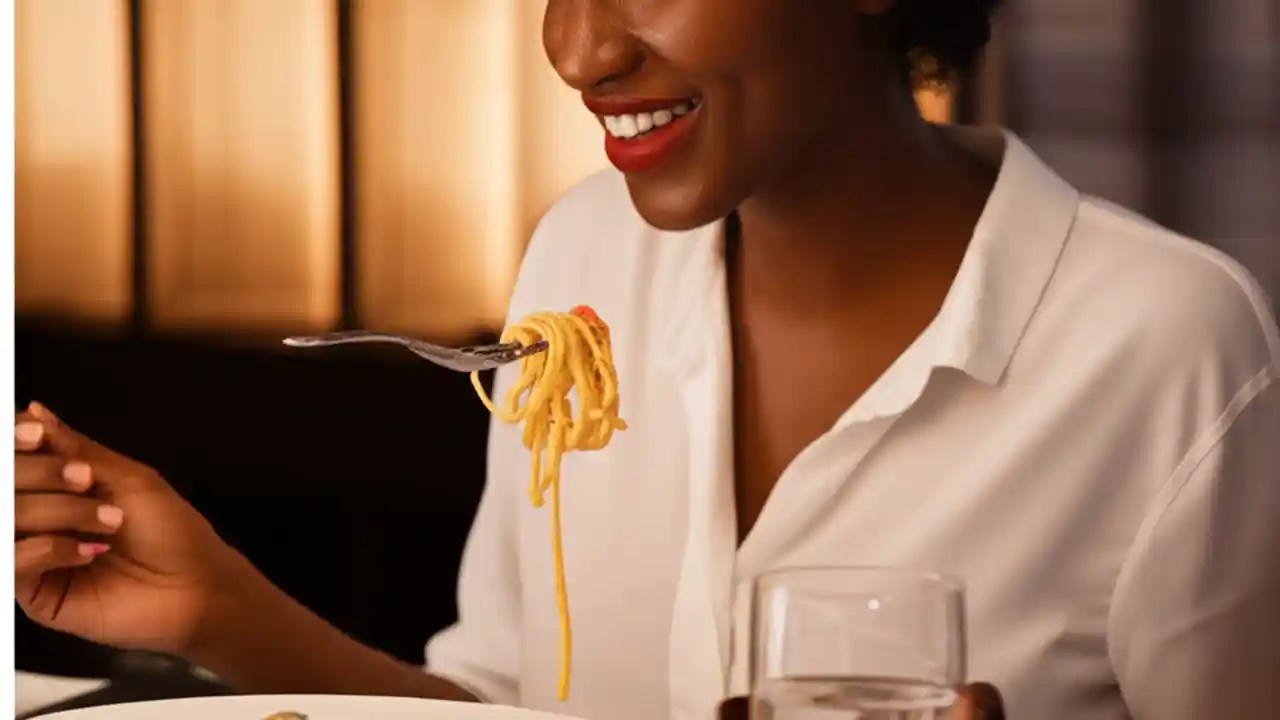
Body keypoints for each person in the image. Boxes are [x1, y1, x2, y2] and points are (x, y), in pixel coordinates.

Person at [14, 0, 1280, 718]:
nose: (579, 49)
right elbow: (514, 710)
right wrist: (214, 609)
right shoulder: (583, 255)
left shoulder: (1165, 343)